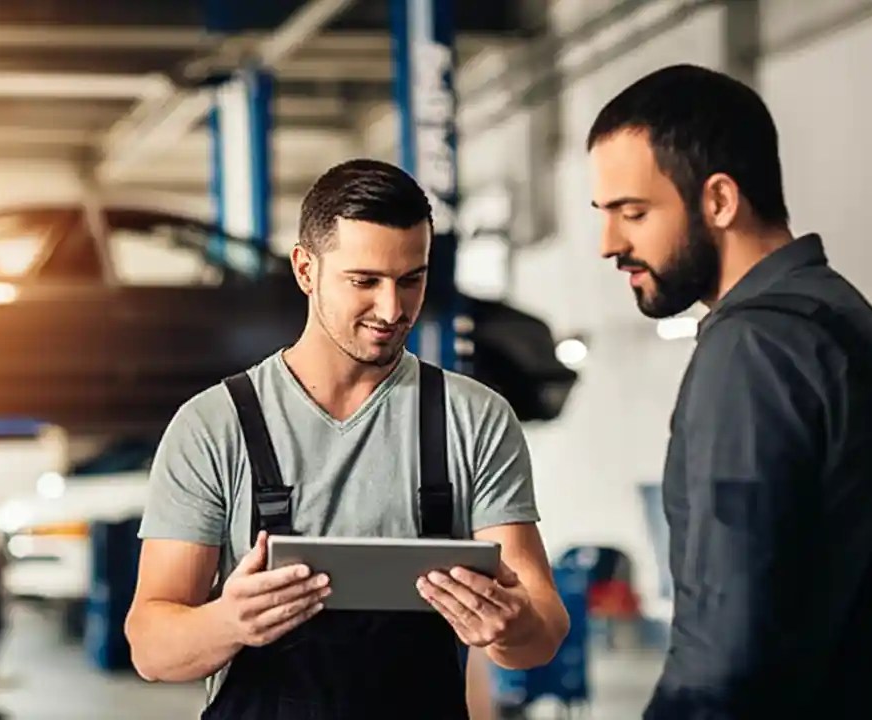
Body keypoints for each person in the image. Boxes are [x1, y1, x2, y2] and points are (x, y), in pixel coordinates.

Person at [124, 158, 570, 719]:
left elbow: (543, 629)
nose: (392, 309)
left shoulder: (474, 418)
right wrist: (229, 621)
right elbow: (151, 647)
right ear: (305, 270)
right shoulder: (216, 425)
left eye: (412, 279)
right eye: (365, 281)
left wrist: (511, 624)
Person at [586, 64, 872, 718]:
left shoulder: (751, 349)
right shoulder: (846, 319)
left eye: (633, 212)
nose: (610, 244)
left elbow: (725, 643)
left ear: (718, 200)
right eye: (604, 215)